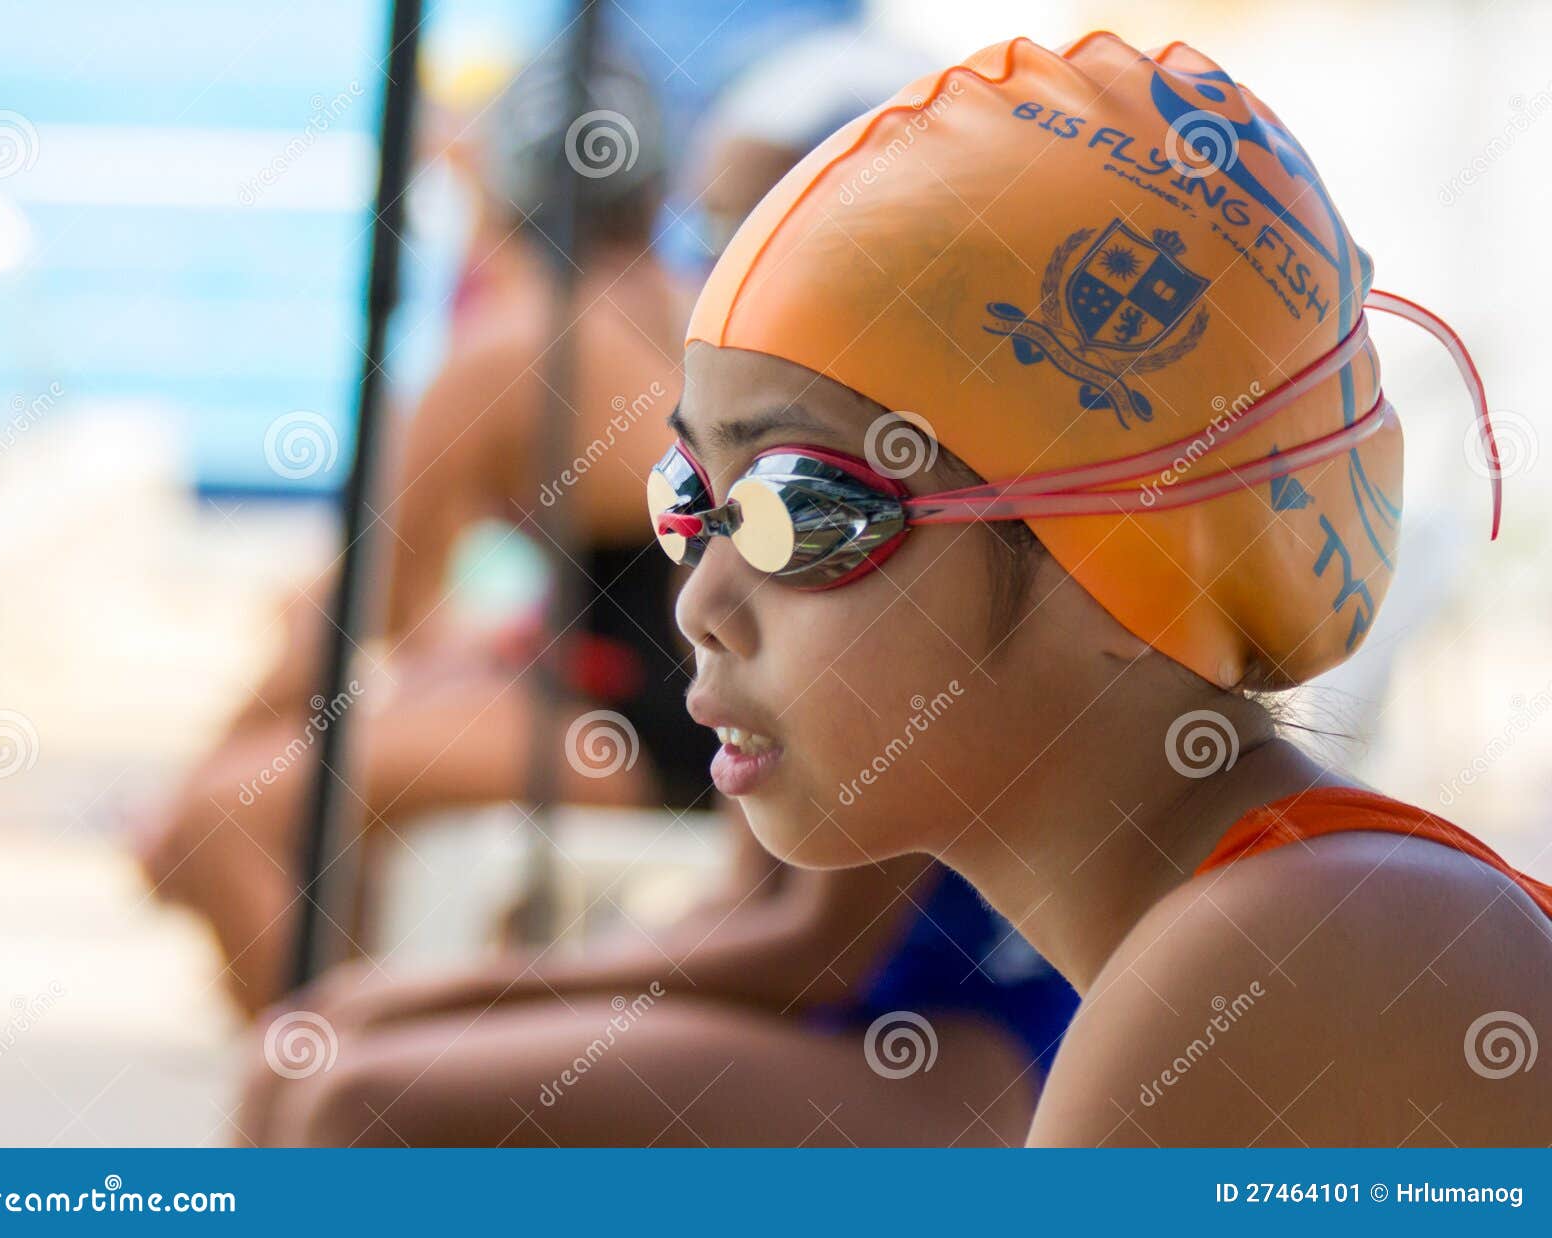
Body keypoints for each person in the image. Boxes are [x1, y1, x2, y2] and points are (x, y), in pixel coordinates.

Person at [647, 30, 1551, 1146]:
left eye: (804, 507)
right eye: (690, 495)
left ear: (1128, 556)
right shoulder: (1285, 918)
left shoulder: (1280, 958)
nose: (699, 603)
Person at [235, 26, 1079, 1148]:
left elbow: (814, 948)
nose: (720, 268)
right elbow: (750, 901)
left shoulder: (920, 531)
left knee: (351, 1093)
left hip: (962, 1053)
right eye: (715, 231)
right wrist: (436, 997)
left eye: (757, 231)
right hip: (841, 1006)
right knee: (308, 1056)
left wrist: (452, 994)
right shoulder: (779, 501)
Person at [132, 47, 715, 1013]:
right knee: (379, 752)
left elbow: (357, 612)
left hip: (648, 740)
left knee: (220, 823)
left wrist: (196, 776)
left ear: (496, 194)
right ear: (655, 189)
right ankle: (377, 1050)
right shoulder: (687, 311)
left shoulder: (514, 347)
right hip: (710, 715)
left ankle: (336, 1085)